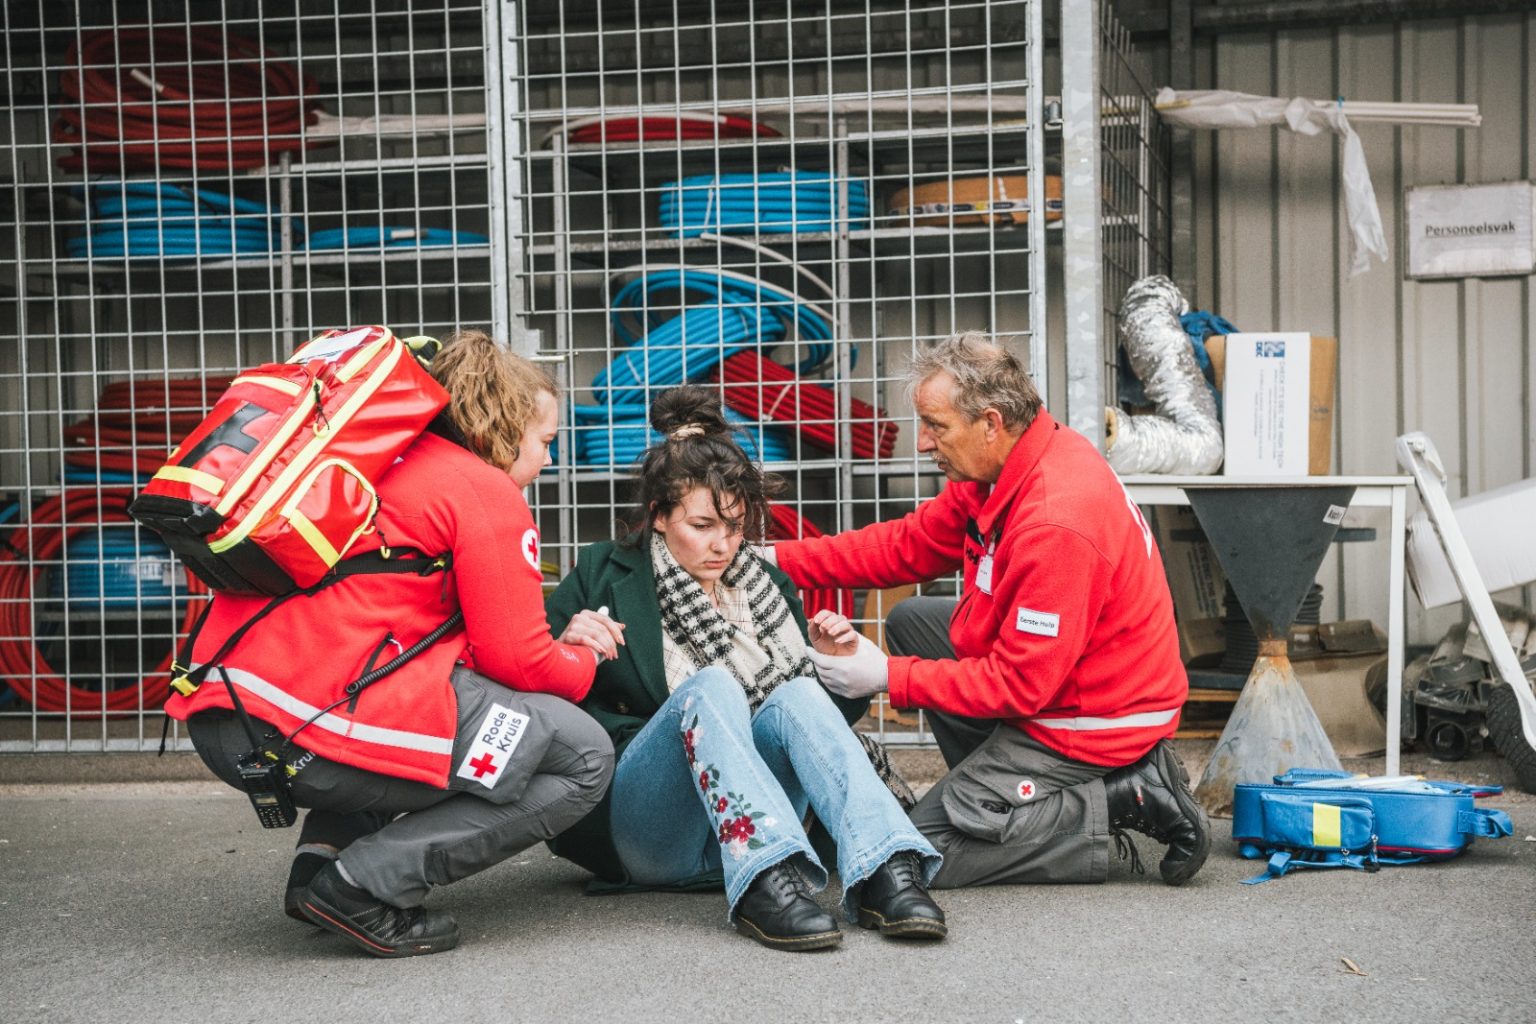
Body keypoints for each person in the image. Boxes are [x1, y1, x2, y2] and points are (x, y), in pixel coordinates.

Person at [166, 329, 614, 958]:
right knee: (581, 755)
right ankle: (360, 887)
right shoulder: (482, 489)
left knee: (435, 702)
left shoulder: (372, 463)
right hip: (306, 733)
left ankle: (317, 869)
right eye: (545, 443)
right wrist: (587, 660)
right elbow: (518, 661)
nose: (547, 462)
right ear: (505, 426)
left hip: (225, 716)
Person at [766, 331, 1211, 889]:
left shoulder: (1056, 520)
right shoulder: (1011, 462)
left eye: (936, 426)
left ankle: (1123, 797)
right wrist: (773, 559)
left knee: (914, 856)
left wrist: (885, 676)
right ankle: (1001, 793)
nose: (923, 443)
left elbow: (1023, 685)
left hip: (1093, 716)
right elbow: (908, 545)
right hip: (1070, 677)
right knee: (912, 622)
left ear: (991, 423)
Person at [544, 385, 945, 951]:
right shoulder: (601, 574)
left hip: (766, 813)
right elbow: (536, 693)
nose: (723, 544)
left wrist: (834, 672)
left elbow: (807, 729)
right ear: (659, 516)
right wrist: (565, 647)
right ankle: (763, 881)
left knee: (800, 696)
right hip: (653, 825)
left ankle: (884, 870)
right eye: (703, 525)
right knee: (710, 688)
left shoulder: (765, 585)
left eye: (735, 526)